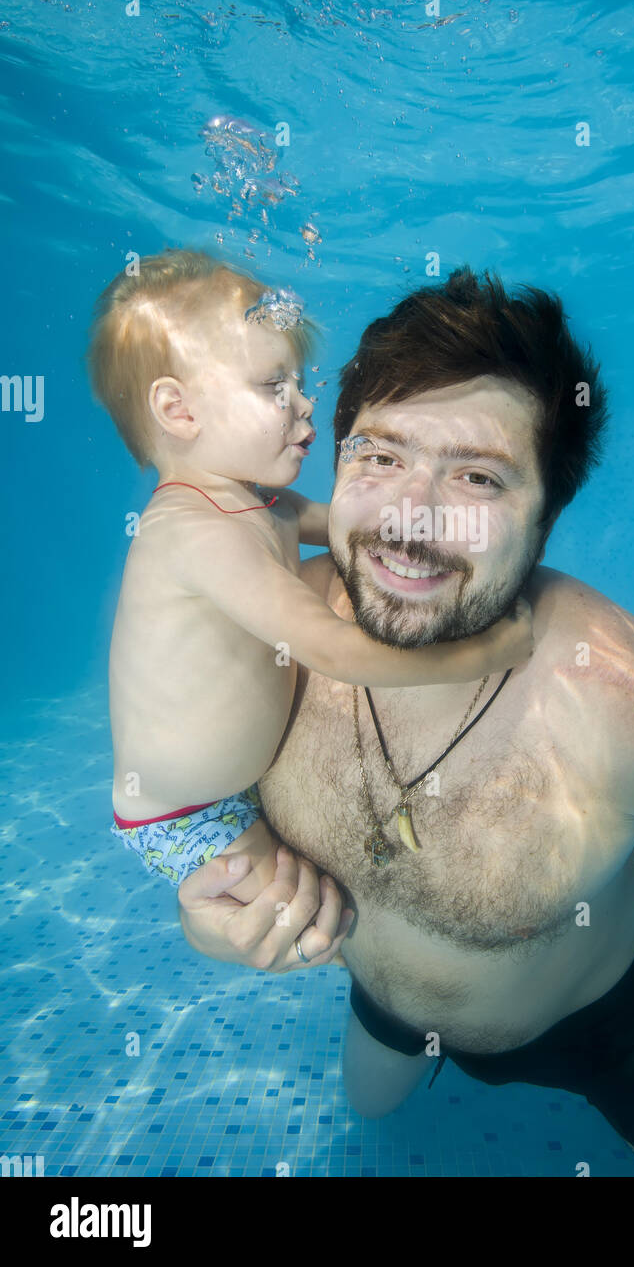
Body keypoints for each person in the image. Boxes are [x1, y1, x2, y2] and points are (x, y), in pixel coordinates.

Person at [176, 266, 634, 1177]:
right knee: (368, 1108)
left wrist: (621, 823)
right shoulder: (265, 634)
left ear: (546, 518)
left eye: (477, 476)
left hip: (615, 1017)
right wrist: (210, 913)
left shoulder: (630, 696)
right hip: (397, 1003)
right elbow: (198, 807)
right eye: (379, 456)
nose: (410, 518)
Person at [87, 251, 531, 894]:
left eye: (299, 381)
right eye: (273, 387)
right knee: (325, 911)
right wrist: (486, 652)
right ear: (180, 412)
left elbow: (365, 527)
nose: (306, 404)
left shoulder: (262, 503)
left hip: (235, 791)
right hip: (190, 817)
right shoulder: (198, 532)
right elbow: (333, 649)